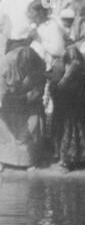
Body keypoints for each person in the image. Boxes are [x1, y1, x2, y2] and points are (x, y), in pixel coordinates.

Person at [0, 30, 48, 168]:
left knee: (32, 126)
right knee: (4, 129)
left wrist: (30, 96)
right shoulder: (5, 64)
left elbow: (40, 84)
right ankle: (3, 159)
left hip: (29, 101)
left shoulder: (37, 62)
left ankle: (29, 160)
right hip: (9, 101)